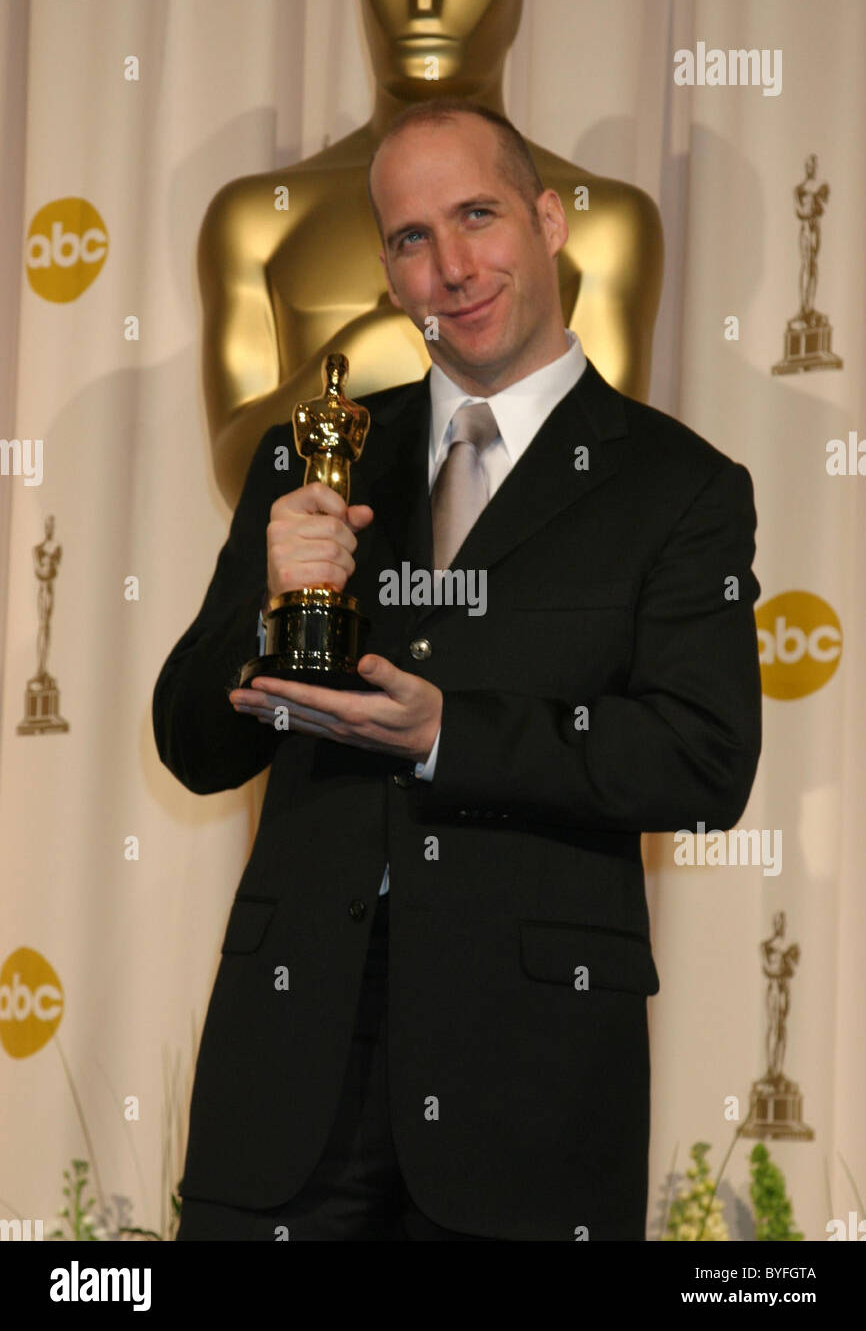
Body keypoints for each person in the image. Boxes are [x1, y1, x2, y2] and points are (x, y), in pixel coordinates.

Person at [153, 100, 762, 1241]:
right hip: (290, 1063)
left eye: (477, 216)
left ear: (548, 221)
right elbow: (190, 742)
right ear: (388, 272)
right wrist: (269, 612)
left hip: (527, 1081)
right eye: (410, 237)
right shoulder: (309, 456)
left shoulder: (678, 487)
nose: (451, 267)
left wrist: (448, 735)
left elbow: (702, 759)